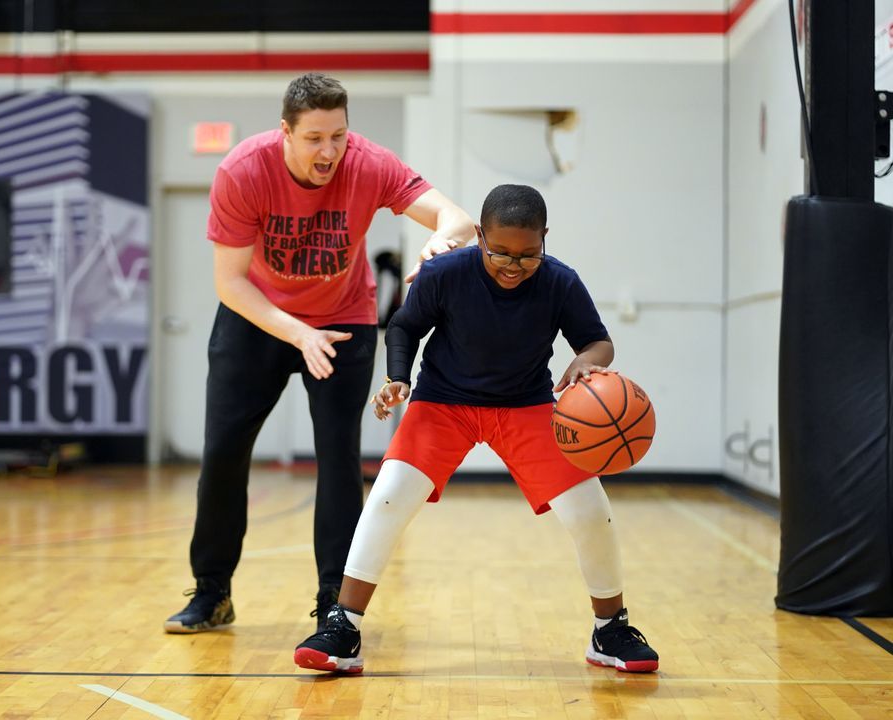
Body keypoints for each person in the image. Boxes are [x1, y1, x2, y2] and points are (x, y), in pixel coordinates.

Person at [292, 184, 660, 673]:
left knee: (590, 509)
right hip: (444, 400)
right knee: (389, 495)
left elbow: (598, 343)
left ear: (544, 239)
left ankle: (610, 629)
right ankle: (344, 624)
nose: (513, 264)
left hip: (526, 403)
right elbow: (404, 326)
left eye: (528, 255)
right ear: (480, 235)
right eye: (499, 251)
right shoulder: (445, 272)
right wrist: (398, 378)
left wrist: (584, 364)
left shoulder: (559, 282)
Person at [164, 73, 476, 633]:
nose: (329, 151)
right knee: (223, 456)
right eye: (313, 138)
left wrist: (442, 242)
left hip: (343, 321)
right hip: (256, 317)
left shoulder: (369, 163)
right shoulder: (243, 170)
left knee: (338, 460)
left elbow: (458, 219)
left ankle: (335, 602)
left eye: (338, 136)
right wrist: (298, 333)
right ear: (285, 131)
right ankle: (212, 592)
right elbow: (230, 283)